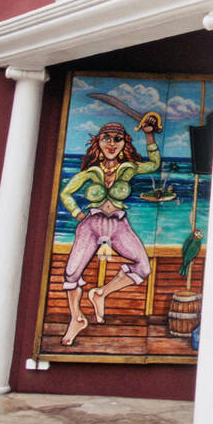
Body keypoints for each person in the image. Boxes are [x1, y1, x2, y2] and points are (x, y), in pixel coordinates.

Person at [59, 113, 161, 345]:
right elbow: (66, 193)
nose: (111, 144)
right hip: (91, 225)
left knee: (143, 266)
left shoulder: (129, 169)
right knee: (71, 273)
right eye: (106, 138)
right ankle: (76, 318)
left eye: (117, 139)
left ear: (124, 143)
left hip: (118, 224)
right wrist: (77, 213)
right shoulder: (90, 172)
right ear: (98, 142)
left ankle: (101, 293)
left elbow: (155, 164)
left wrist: (149, 136)